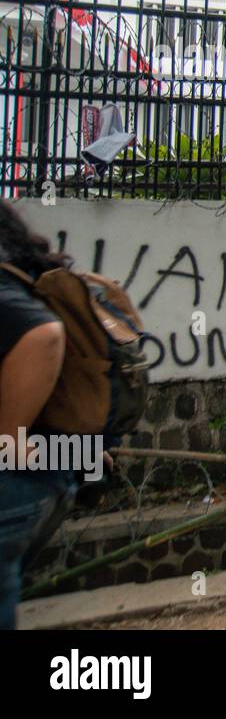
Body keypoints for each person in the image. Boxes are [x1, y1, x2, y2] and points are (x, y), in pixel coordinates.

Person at [0, 201, 80, 630]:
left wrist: (8, 438)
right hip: (52, 461)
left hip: (19, 471)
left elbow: (43, 335)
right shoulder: (23, 272)